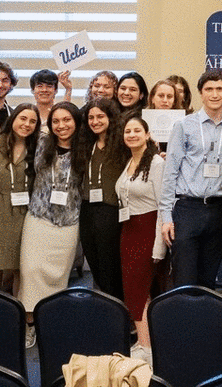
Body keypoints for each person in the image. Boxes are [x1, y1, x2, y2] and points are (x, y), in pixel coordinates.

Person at [160, 71, 222, 290]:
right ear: (200, 94)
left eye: (219, 89)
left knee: (207, 281)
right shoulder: (184, 125)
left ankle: (203, 324)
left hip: (218, 210)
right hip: (188, 209)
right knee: (184, 280)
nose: (214, 94)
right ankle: (183, 324)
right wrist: (166, 217)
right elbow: (170, 173)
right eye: (209, 90)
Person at [17, 102, 84, 347]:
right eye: (56, 121)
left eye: (67, 120)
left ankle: (51, 322)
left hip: (68, 222)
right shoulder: (41, 143)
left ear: (76, 122)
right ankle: (29, 324)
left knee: (58, 277)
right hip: (38, 218)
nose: (61, 125)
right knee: (31, 272)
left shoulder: (85, 148)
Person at [115, 115, 167, 365]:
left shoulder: (156, 163)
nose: (132, 134)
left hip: (148, 230)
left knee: (139, 289)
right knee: (135, 290)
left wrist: (159, 245)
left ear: (147, 135)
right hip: (129, 231)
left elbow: (163, 204)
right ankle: (145, 341)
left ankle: (146, 347)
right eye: (128, 131)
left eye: (137, 130)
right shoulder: (129, 162)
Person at [0, 103, 39, 294]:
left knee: (22, 268)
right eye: (23, 118)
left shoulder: (38, 147)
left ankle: (17, 313)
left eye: (33, 121)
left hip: (26, 213)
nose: (27, 124)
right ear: (13, 119)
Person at [78, 98, 127, 299]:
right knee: (93, 259)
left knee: (109, 263)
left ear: (110, 118)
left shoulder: (121, 143)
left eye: (100, 116)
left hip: (111, 209)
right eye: (91, 117)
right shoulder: (86, 142)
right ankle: (104, 304)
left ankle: (115, 306)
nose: (95, 121)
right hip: (87, 207)